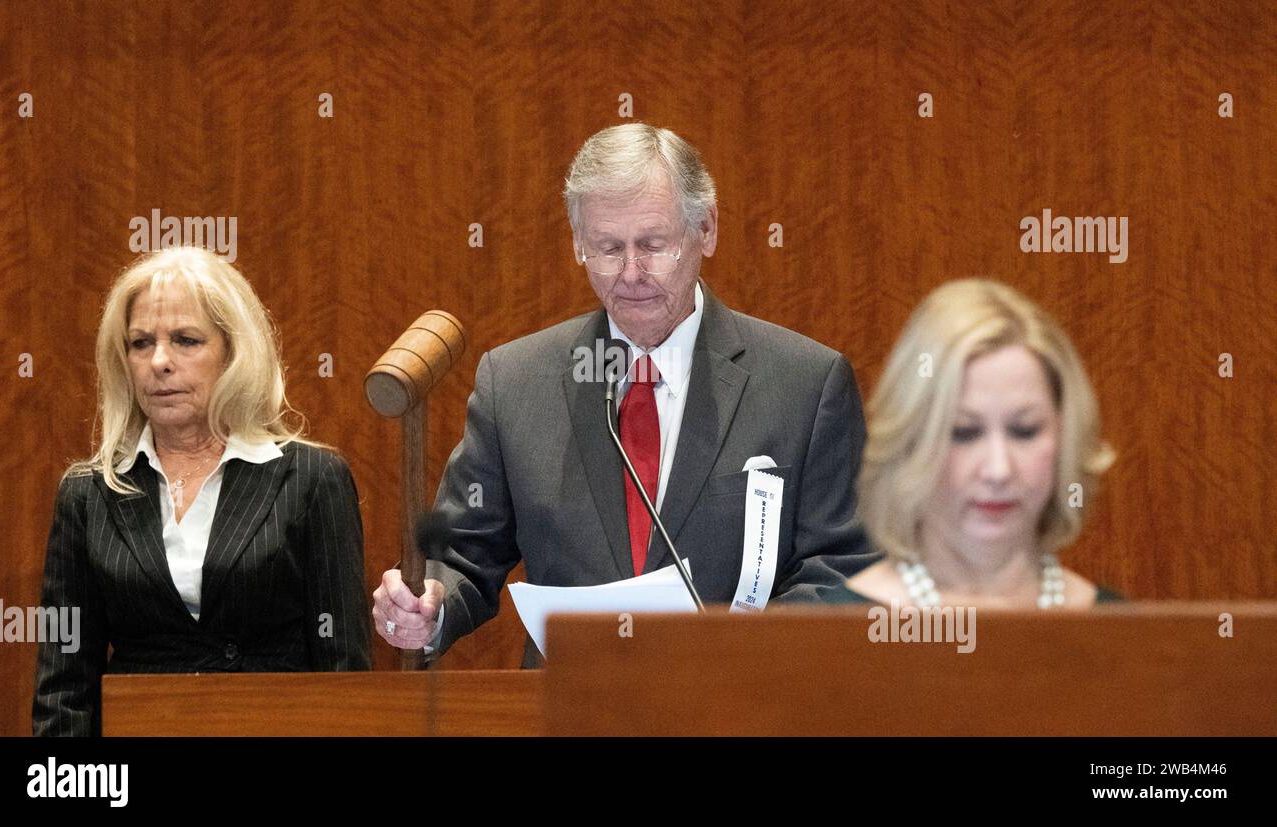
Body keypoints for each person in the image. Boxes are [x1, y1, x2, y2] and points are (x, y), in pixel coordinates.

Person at [373, 123, 876, 665]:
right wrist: (428, 604)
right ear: (576, 244)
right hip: (571, 710)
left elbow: (843, 567)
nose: (631, 273)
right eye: (608, 248)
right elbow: (463, 552)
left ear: (705, 230)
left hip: (741, 708)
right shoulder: (517, 383)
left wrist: (739, 655)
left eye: (654, 245)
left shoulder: (805, 384)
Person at [33, 246, 370, 736]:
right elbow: (63, 686)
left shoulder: (312, 478)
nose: (160, 362)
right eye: (141, 343)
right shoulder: (88, 493)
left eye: (186, 340)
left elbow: (343, 675)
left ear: (233, 353)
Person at [829, 278, 1120, 608]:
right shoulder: (834, 634)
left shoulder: (1119, 630)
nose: (998, 470)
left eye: (1024, 431)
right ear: (910, 443)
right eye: (964, 433)